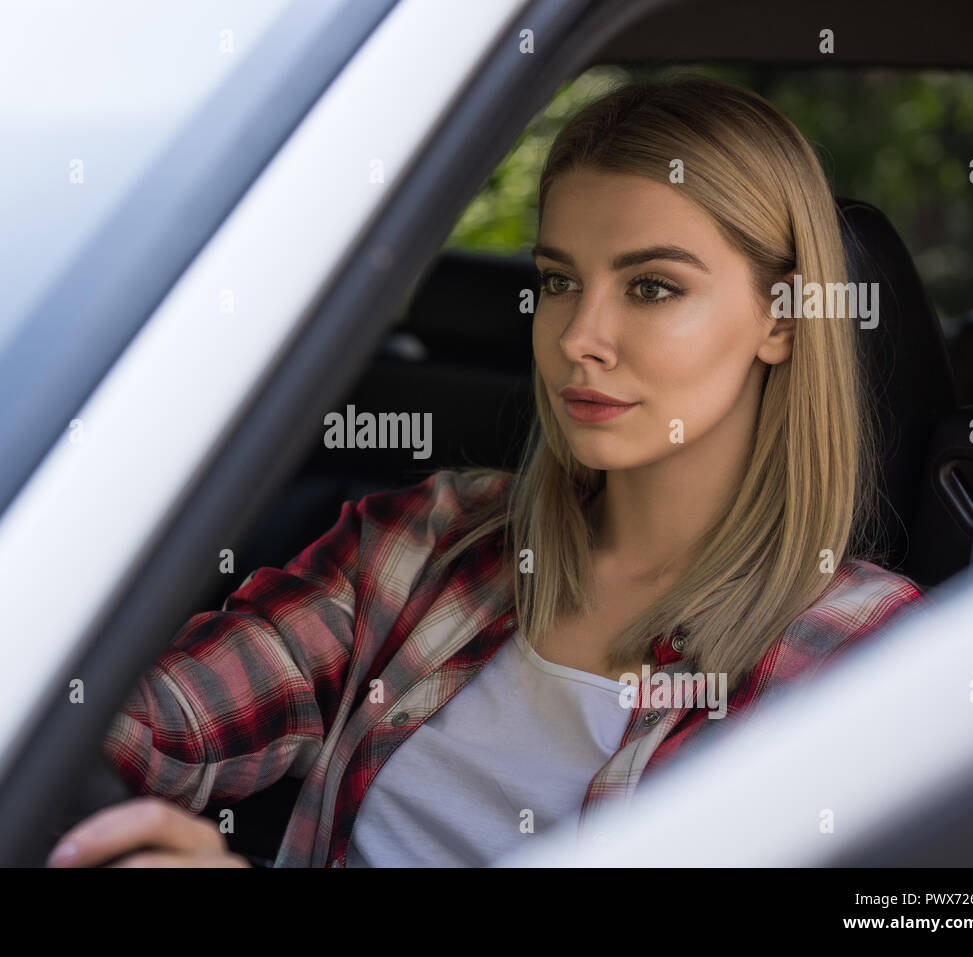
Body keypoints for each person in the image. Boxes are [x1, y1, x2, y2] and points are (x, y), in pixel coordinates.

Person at [47, 76, 925, 869]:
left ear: (783, 320)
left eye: (652, 287)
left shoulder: (868, 655)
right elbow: (142, 732)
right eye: (558, 281)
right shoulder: (433, 539)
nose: (580, 336)